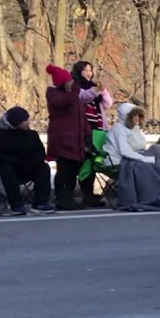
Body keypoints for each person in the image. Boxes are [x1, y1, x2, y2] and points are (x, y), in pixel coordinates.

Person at [0, 107, 54, 215]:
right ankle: (16, 205)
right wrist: (16, 161)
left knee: (43, 167)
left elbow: (40, 153)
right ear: (16, 123)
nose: (28, 123)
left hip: (28, 167)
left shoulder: (32, 135)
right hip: (9, 168)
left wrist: (33, 161)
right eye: (25, 121)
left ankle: (40, 203)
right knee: (7, 169)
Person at [45, 64, 92, 210]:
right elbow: (68, 101)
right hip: (62, 140)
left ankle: (69, 198)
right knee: (64, 171)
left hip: (76, 141)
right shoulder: (54, 94)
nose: (72, 83)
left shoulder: (74, 96)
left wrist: (87, 133)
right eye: (69, 81)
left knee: (73, 170)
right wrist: (75, 90)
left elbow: (82, 116)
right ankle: (62, 199)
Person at [70, 60, 114, 131]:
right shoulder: (75, 86)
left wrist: (103, 91)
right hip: (82, 124)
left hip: (98, 124)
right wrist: (94, 90)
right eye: (85, 71)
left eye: (90, 71)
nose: (89, 73)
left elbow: (108, 104)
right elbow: (84, 97)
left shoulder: (95, 86)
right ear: (78, 72)